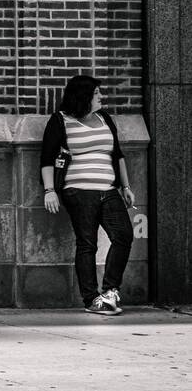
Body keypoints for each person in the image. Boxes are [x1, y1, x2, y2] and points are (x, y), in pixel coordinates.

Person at [39, 75, 136, 315]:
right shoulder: (60, 121)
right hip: (78, 192)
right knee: (87, 244)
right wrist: (50, 190)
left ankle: (110, 290)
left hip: (109, 190)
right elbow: (47, 158)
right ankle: (91, 299)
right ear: (83, 96)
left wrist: (126, 187)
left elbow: (118, 155)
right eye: (96, 93)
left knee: (123, 235)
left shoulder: (104, 119)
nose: (101, 96)